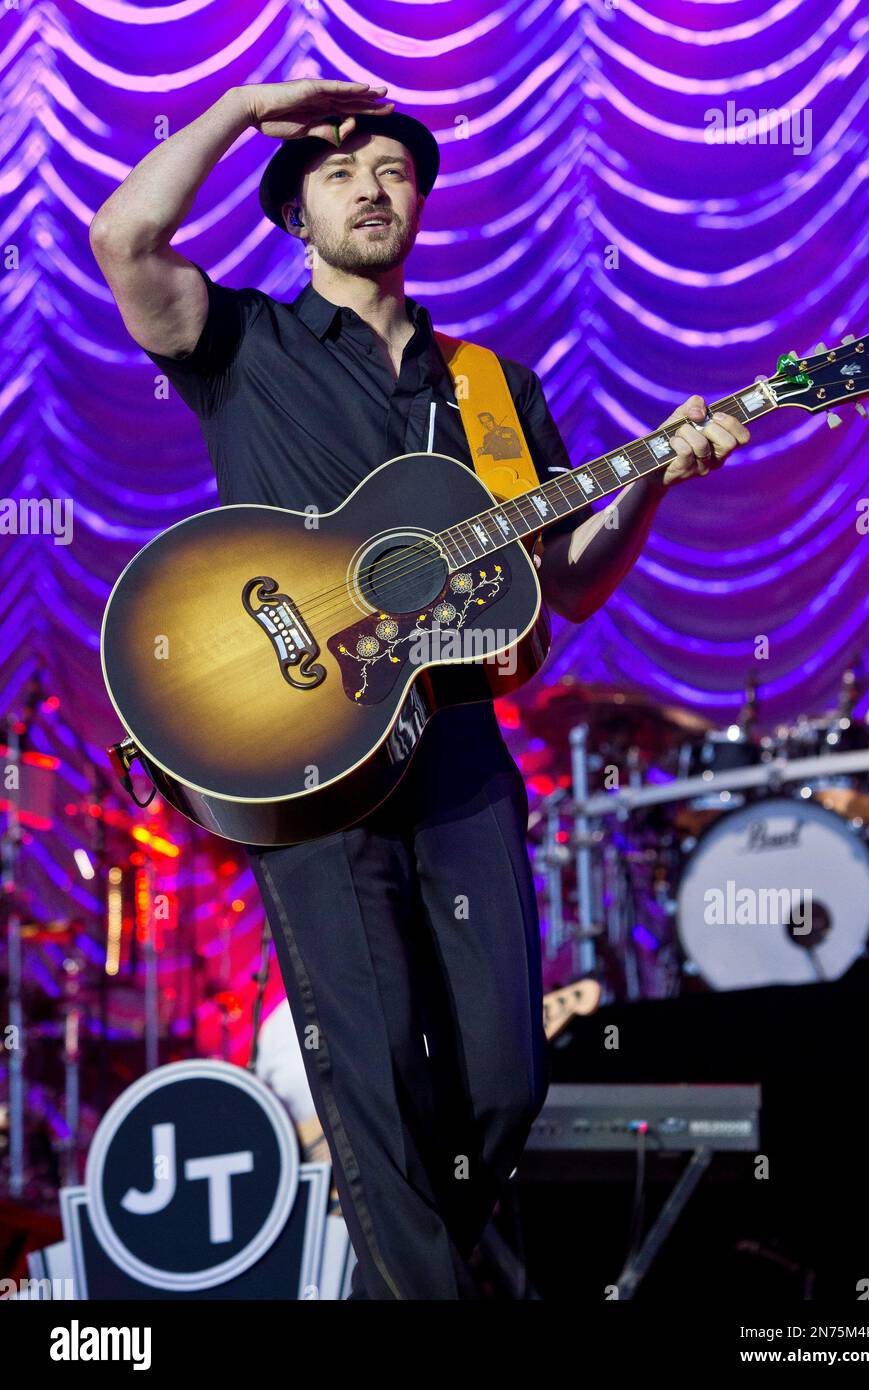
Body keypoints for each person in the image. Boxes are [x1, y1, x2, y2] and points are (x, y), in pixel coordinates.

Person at [89, 79, 749, 1300]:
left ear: (420, 202)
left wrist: (654, 479)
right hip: (303, 752)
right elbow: (124, 240)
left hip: (451, 745)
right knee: (380, 1078)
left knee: (506, 1075)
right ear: (297, 214)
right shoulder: (245, 343)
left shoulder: (492, 388)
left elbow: (566, 591)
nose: (369, 186)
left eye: (391, 170)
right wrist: (241, 109)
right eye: (340, 173)